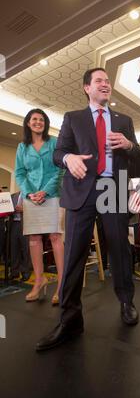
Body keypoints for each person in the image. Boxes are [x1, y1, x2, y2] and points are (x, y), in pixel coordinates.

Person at [36, 67, 140, 352]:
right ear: (87, 88)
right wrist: (69, 158)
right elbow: (58, 153)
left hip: (113, 189)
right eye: (99, 81)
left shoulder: (124, 120)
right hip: (82, 190)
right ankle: (70, 320)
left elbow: (138, 152)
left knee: (120, 249)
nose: (105, 85)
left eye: (108, 81)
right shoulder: (73, 118)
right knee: (74, 254)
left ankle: (126, 302)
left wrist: (129, 143)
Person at [15, 109, 64, 305]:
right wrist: (29, 193)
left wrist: (46, 190)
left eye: (41, 119)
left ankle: (61, 284)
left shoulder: (54, 142)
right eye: (34, 119)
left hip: (52, 195)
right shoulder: (22, 147)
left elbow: (60, 169)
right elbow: (19, 173)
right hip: (31, 197)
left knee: (55, 237)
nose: (38, 122)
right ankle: (40, 280)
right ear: (28, 123)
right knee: (34, 239)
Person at [9, 192, 31, 281]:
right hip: (14, 224)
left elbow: (35, 209)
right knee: (14, 249)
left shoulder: (31, 195)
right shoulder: (13, 196)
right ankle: (14, 272)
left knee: (26, 250)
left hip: (25, 225)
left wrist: (23, 209)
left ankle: (26, 272)